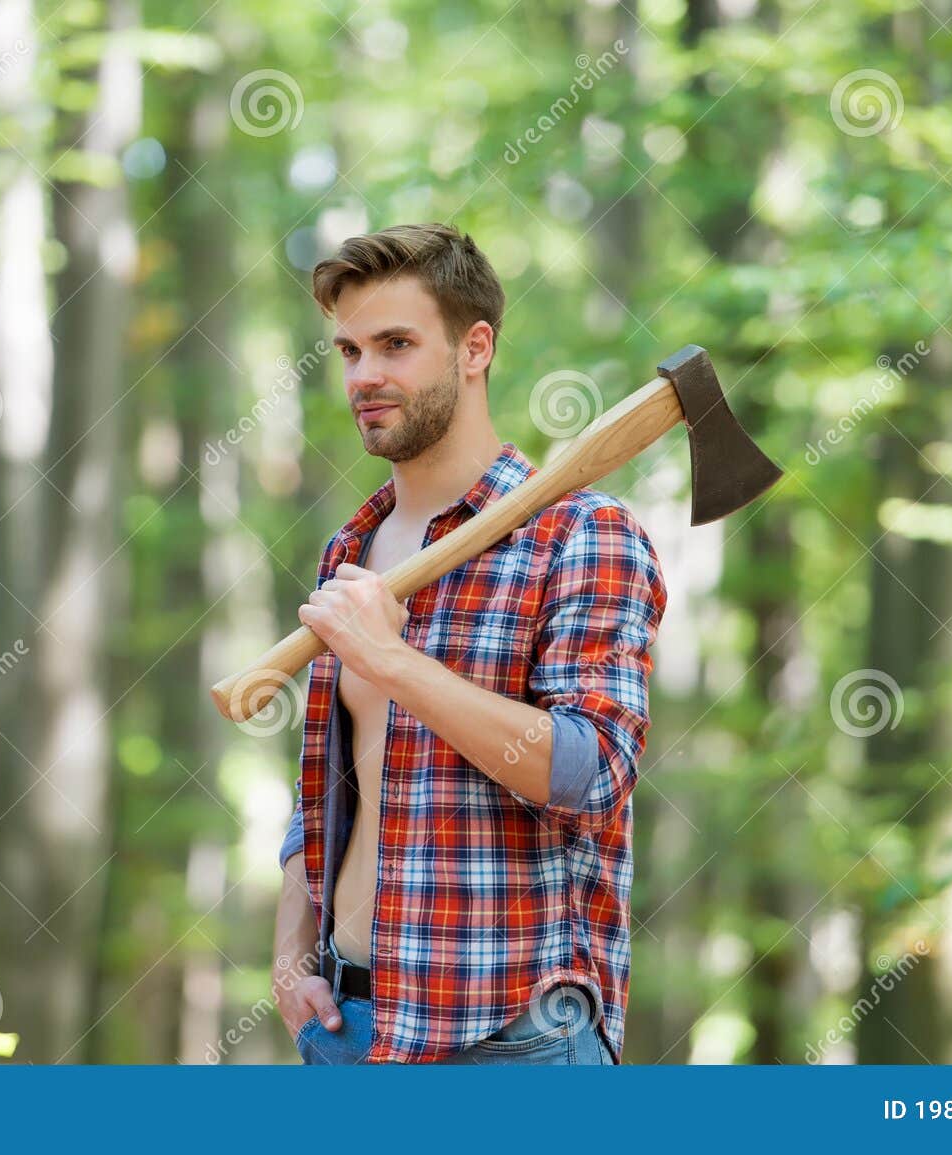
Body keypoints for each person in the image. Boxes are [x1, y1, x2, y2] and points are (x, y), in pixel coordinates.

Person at [271, 222, 666, 1065]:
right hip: (347, 1029)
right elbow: (334, 776)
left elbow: (592, 773)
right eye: (348, 351)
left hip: (510, 1049)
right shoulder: (351, 550)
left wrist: (395, 663)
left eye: (396, 344)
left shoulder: (582, 537)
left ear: (474, 347)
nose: (366, 375)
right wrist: (290, 950)